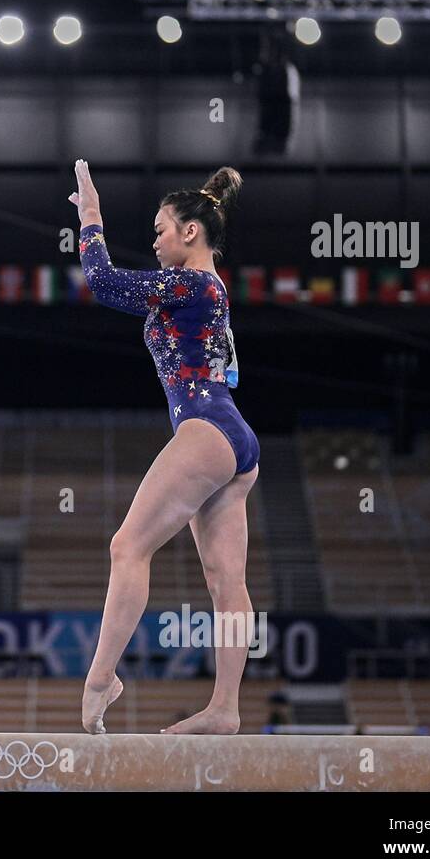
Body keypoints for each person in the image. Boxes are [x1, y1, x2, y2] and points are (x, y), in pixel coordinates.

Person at [70, 159, 260, 735]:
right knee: (226, 582)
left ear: (190, 232)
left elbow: (102, 283)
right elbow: (222, 370)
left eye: (158, 230)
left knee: (127, 546)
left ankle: (101, 677)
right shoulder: (209, 291)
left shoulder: (195, 283)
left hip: (205, 427)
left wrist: (93, 219)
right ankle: (225, 708)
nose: (152, 241)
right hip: (232, 437)